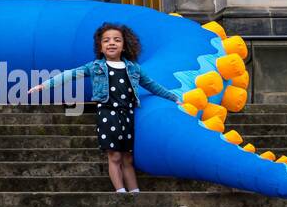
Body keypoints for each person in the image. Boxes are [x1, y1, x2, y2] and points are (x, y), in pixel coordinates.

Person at [28, 22, 184, 194]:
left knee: (127, 158)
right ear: (100, 47)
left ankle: (135, 192)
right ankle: (121, 192)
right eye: (106, 40)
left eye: (117, 40)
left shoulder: (134, 68)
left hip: (127, 115)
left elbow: (152, 85)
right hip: (107, 113)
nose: (111, 43)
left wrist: (174, 97)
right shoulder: (95, 67)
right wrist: (45, 85)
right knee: (114, 155)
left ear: (124, 46)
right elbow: (69, 74)